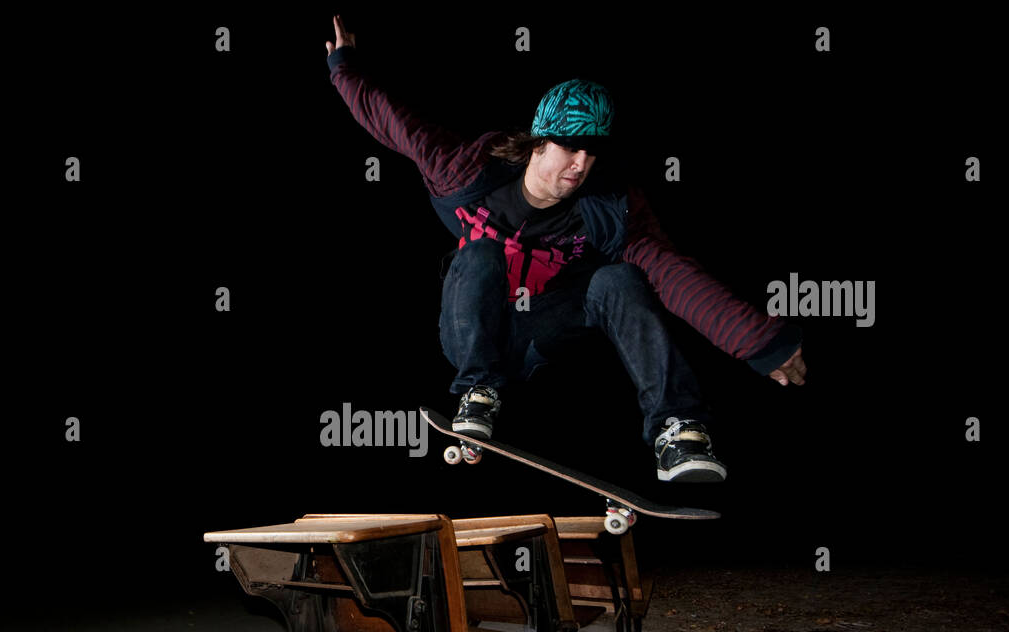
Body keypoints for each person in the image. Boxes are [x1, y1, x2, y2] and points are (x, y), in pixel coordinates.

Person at [325, 16, 806, 481]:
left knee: (621, 278)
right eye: (569, 148)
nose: (580, 164)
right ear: (538, 142)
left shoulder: (609, 211)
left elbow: (675, 275)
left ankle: (677, 431)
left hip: (542, 332)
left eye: (591, 152)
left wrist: (761, 342)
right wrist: (343, 66)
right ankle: (477, 391)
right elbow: (390, 121)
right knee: (480, 252)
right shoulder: (466, 171)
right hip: (471, 328)